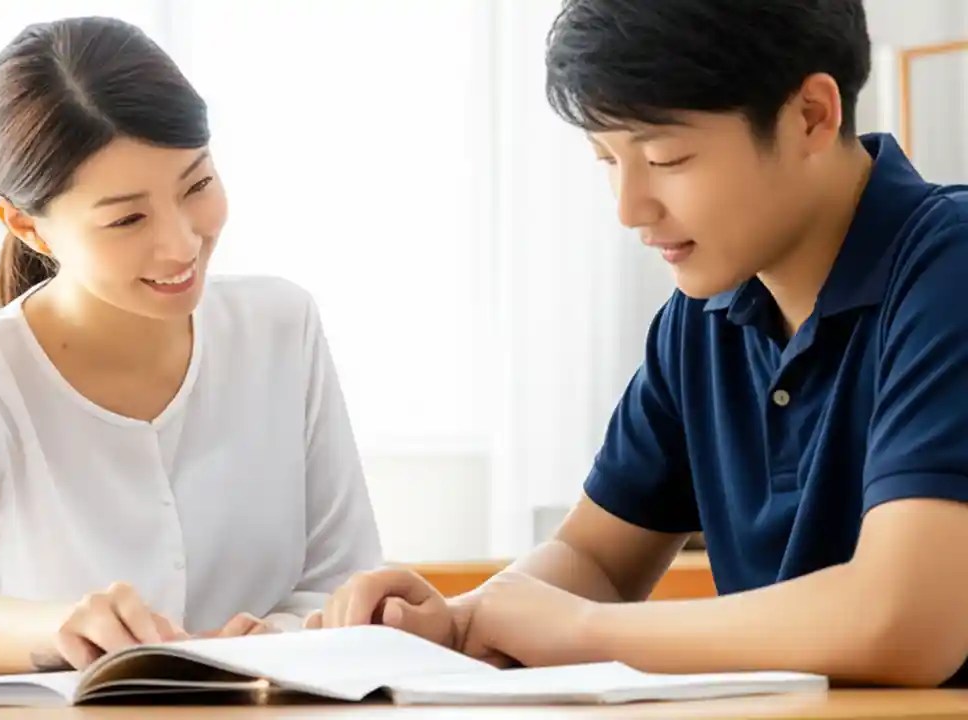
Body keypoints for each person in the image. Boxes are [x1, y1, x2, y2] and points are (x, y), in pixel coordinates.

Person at [312, 0, 968, 688]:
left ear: (810, 115)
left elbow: (906, 623)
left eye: (665, 158)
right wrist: (457, 623)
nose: (629, 209)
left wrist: (582, 632)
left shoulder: (948, 267)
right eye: (606, 159)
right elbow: (595, 560)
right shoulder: (702, 317)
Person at [0, 16, 382, 679]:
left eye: (196, 185)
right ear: (26, 225)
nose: (181, 244)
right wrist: (64, 629)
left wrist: (277, 638)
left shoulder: (281, 326)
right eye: (127, 219)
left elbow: (345, 577)